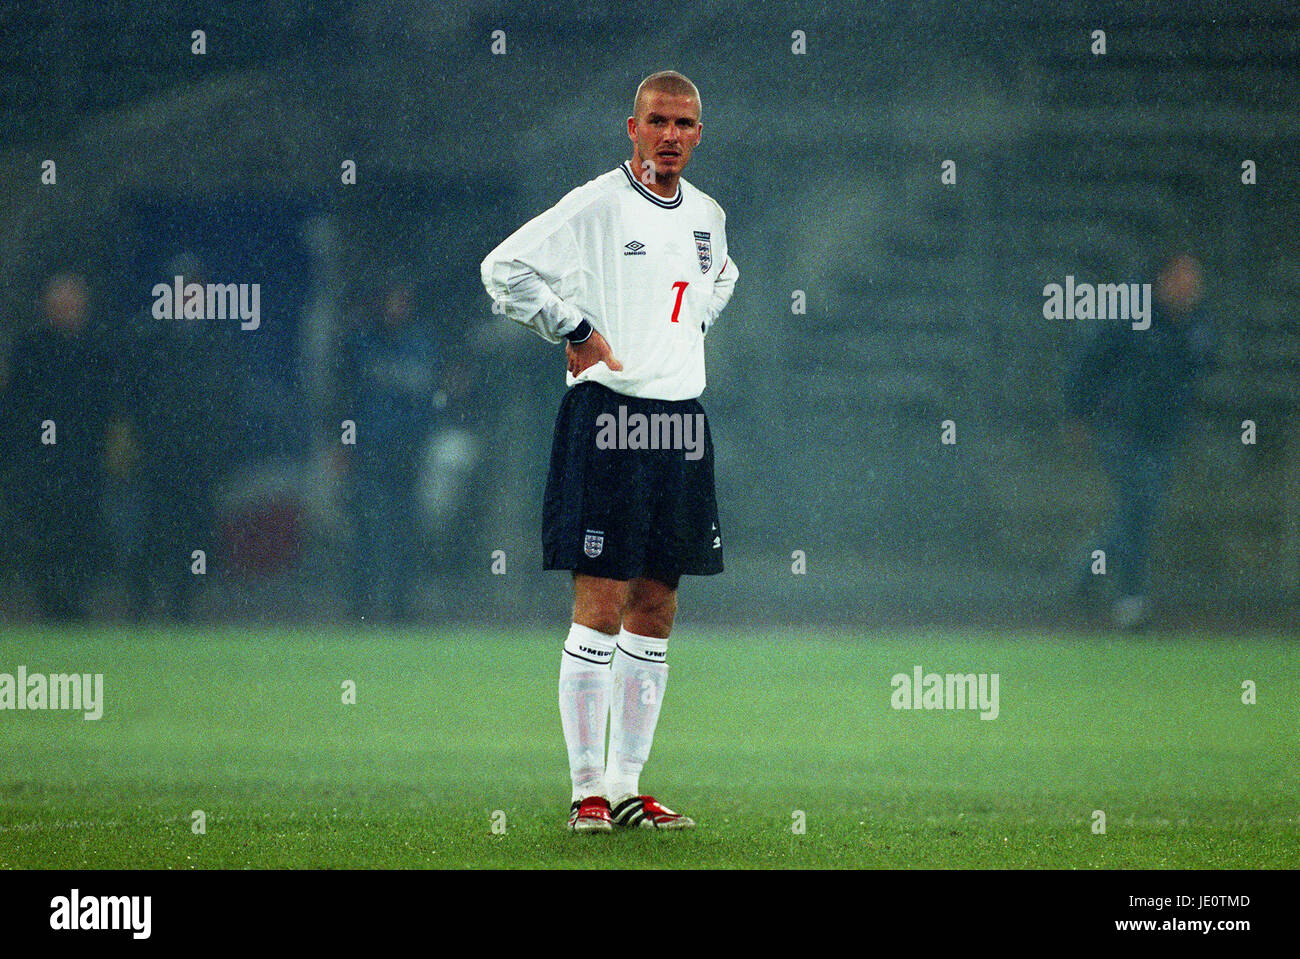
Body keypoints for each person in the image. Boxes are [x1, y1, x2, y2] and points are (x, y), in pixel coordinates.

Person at [481, 70, 739, 832]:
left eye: (684, 123)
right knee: (599, 604)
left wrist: (683, 337)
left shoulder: (709, 215)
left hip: (680, 425)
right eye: (657, 121)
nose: (670, 134)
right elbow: (504, 268)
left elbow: (720, 278)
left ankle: (627, 785)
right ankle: (585, 788)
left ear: (699, 132)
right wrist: (574, 328)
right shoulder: (597, 204)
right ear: (632, 128)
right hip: (610, 419)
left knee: (657, 606)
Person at [1063, 250, 1216, 630]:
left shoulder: (1196, 321)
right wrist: (1077, 414)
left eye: (1194, 277)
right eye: (1183, 276)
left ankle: (1088, 570)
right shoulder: (1127, 315)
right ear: (1162, 278)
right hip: (1119, 430)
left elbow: (1202, 365)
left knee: (1141, 512)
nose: (1191, 285)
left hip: (1162, 434)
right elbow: (1087, 360)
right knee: (1140, 506)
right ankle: (1131, 602)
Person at [2, 273, 109, 621]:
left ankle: (73, 600)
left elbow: (104, 405)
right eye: (60, 303)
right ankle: (51, 601)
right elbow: (17, 406)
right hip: (44, 461)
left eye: (73, 302)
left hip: (83, 460)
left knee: (81, 531)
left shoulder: (96, 349)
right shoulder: (31, 349)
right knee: (47, 533)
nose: (67, 309)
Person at [334, 280, 442, 622]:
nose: (397, 307)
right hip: (369, 448)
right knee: (365, 527)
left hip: (408, 450)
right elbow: (343, 399)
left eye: (402, 300)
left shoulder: (420, 343)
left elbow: (430, 400)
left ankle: (400, 607)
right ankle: (360, 606)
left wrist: (426, 440)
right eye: (392, 299)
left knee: (404, 528)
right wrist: (342, 443)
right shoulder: (361, 342)